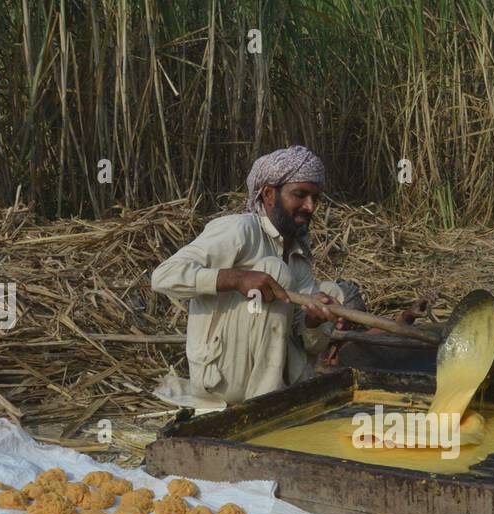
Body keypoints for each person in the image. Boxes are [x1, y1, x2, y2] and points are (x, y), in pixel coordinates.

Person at [150, 146, 425, 410]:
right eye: (300, 194)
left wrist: (312, 320)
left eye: (315, 198)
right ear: (269, 194)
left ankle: (282, 393)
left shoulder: (297, 254)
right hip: (221, 379)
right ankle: (266, 404)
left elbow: (308, 343)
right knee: (274, 271)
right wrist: (236, 279)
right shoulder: (239, 229)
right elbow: (163, 276)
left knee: (331, 292)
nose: (310, 207)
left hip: (273, 375)